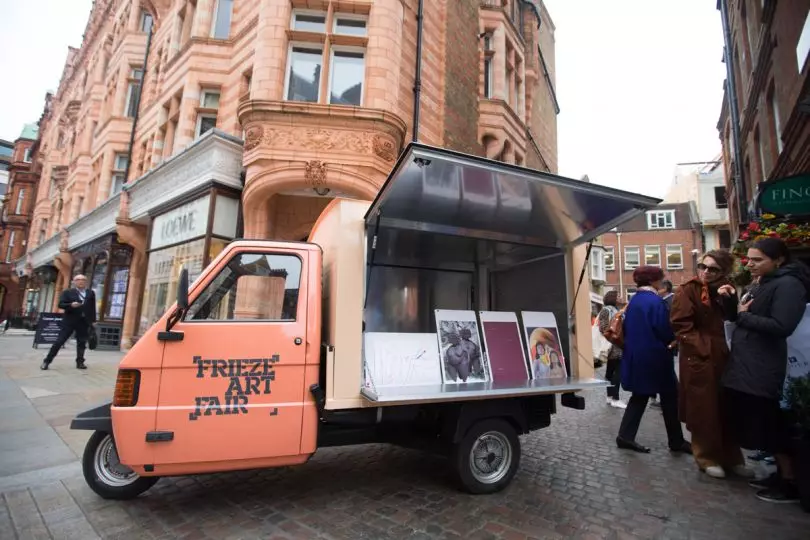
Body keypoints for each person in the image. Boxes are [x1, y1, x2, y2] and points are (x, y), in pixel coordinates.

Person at [720, 237, 810, 503]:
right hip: (748, 364)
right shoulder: (764, 283)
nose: (751, 264)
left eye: (758, 260)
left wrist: (742, 315)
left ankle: (790, 481)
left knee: (771, 424)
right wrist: (732, 304)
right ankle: (780, 475)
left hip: (764, 366)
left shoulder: (789, 285)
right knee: (761, 423)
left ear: (779, 260)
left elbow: (782, 326)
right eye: (749, 259)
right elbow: (740, 315)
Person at [670, 250, 751, 479]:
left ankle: (733, 457)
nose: (705, 272)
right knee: (704, 409)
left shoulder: (728, 289)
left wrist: (729, 300)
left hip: (727, 355)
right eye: (702, 266)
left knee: (728, 407)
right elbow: (681, 325)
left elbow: (732, 318)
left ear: (723, 271)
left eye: (712, 269)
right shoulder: (688, 290)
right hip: (700, 357)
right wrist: (703, 348)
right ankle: (707, 456)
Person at [616, 265, 692, 454]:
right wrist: (673, 339)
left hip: (638, 354)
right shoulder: (654, 301)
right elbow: (663, 329)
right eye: (660, 278)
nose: (661, 281)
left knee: (643, 396)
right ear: (652, 280)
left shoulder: (635, 300)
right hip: (655, 356)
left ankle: (627, 436)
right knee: (668, 396)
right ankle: (675, 440)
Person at [40, 274, 96, 370]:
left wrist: (93, 320)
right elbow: (60, 304)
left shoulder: (90, 293)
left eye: (83, 280)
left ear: (86, 282)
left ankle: (80, 362)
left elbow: (92, 307)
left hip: (83, 322)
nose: (81, 281)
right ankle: (47, 361)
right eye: (78, 280)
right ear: (74, 282)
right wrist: (71, 305)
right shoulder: (68, 292)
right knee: (59, 341)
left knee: (82, 343)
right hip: (69, 321)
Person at [598, 291, 627, 409]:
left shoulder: (613, 309)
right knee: (618, 372)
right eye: (618, 296)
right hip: (614, 345)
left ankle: (610, 397)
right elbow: (604, 328)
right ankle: (615, 398)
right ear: (613, 298)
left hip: (614, 344)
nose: (620, 297)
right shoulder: (608, 310)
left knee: (610, 372)